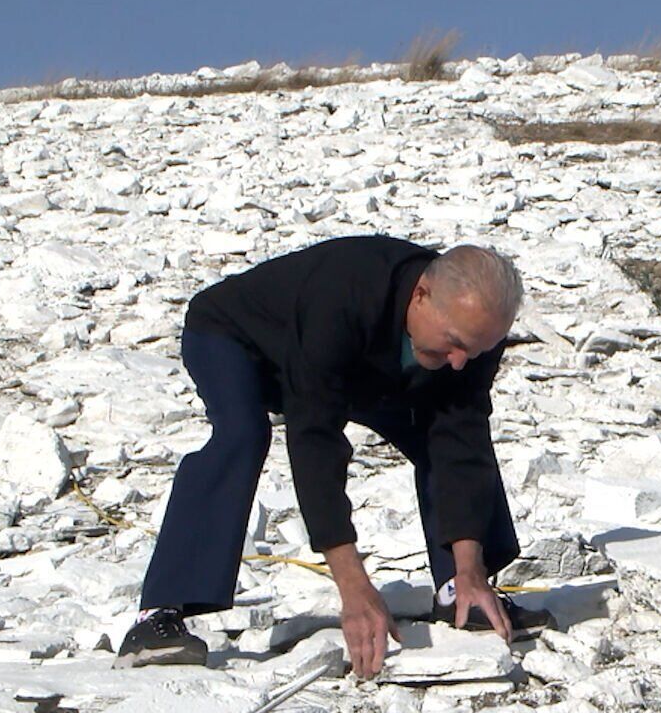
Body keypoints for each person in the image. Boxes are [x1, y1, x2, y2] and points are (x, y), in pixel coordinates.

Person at [117, 235, 550, 676]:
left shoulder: (475, 331)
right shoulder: (343, 295)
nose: (461, 361)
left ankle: (461, 591)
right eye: (455, 342)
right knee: (242, 434)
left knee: (445, 435)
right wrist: (354, 588)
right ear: (421, 295)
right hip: (239, 341)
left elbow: (462, 432)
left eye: (473, 351)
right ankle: (158, 616)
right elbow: (316, 441)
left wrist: (470, 566)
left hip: (364, 366)